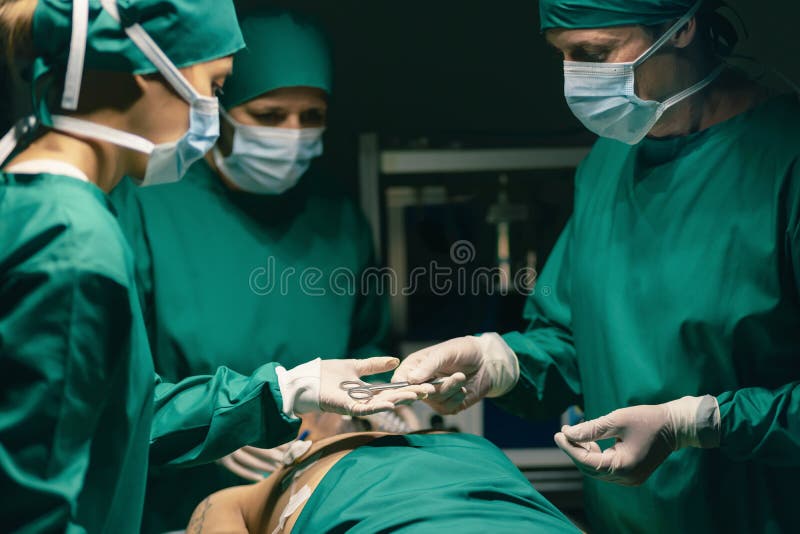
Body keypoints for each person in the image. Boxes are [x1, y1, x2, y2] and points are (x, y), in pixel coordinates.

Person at [0, 1, 430, 531]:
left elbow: (123, 414)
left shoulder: (37, 203)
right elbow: (32, 507)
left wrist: (289, 389)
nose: (206, 112)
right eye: (216, 86)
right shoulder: (70, 240)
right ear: (149, 74)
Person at [393, 0, 800, 532]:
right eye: (562, 56)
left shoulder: (784, 162)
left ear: (682, 29)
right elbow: (574, 340)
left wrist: (700, 423)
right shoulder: (609, 163)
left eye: (594, 53)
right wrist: (500, 363)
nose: (576, 78)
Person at [110, 8, 398, 531]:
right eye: (268, 115)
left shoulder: (338, 218)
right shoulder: (148, 206)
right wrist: (213, 429)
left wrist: (369, 408)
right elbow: (120, 392)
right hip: (177, 502)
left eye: (311, 117)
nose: (293, 134)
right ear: (217, 107)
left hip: (317, 501)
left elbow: (367, 346)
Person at [185, 415, 581, 534]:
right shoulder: (282, 481)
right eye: (311, 404)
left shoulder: (462, 443)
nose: (339, 407)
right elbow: (218, 509)